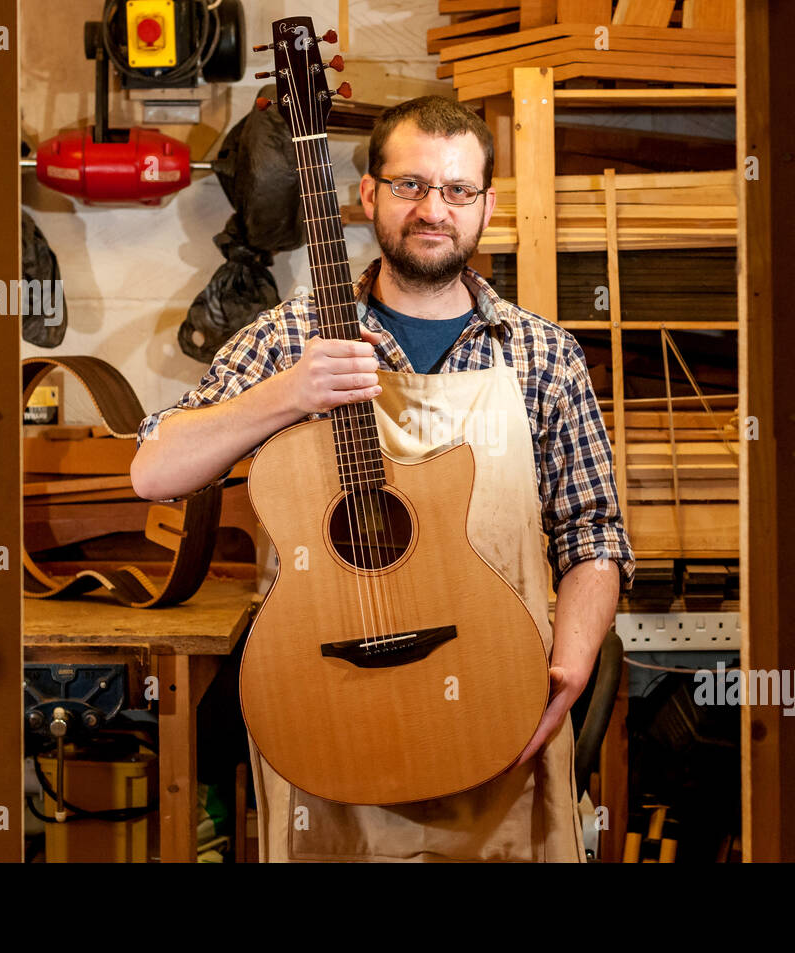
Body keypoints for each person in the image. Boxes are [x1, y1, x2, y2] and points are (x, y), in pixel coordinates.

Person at [132, 95, 634, 862]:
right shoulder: (291, 336)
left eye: (457, 190)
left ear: (486, 207)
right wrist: (285, 394)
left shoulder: (543, 356)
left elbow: (593, 532)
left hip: (500, 708)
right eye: (410, 186)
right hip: (331, 702)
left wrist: (569, 662)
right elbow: (154, 468)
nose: (434, 209)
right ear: (368, 195)